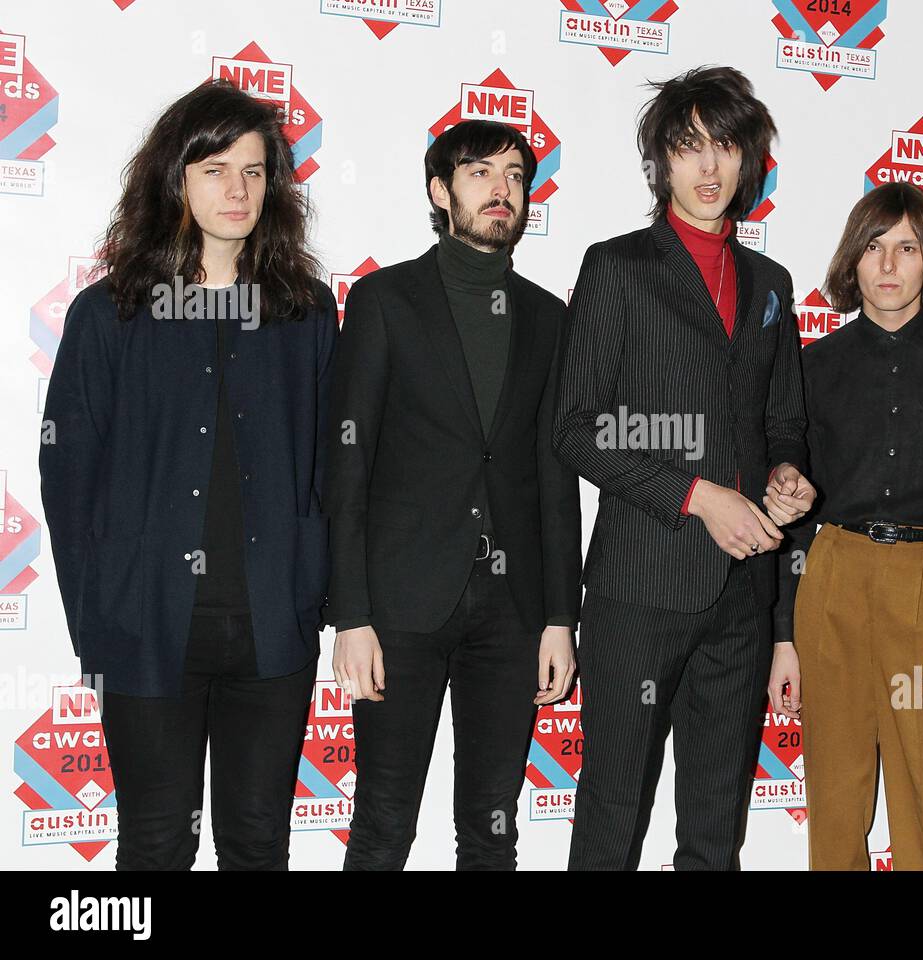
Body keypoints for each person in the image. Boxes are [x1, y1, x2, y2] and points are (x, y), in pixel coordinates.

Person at [39, 79, 336, 870]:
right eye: (214, 169)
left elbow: (334, 463)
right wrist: (96, 619)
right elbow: (69, 479)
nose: (237, 189)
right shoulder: (112, 314)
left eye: (254, 169)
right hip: (144, 630)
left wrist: (317, 590)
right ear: (174, 176)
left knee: (257, 842)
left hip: (273, 629)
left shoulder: (305, 310)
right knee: (156, 843)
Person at [553, 65, 813, 871]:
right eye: (687, 146)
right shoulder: (617, 268)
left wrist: (787, 475)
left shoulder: (770, 284)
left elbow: (782, 421)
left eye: (725, 146)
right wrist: (697, 496)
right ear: (661, 163)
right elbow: (577, 428)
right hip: (641, 588)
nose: (708, 166)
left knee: (714, 821)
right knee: (612, 808)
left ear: (749, 161)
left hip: (742, 593)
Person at [325, 119, 581, 870]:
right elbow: (347, 461)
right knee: (382, 825)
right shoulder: (383, 300)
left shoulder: (547, 317)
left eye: (515, 175)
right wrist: (351, 614)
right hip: (401, 602)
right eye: (479, 173)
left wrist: (561, 617)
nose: (501, 189)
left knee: (493, 829)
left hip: (512, 611)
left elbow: (553, 476)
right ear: (441, 191)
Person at [774, 182, 923, 870]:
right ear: (853, 260)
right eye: (874, 247)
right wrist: (784, 635)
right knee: (837, 796)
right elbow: (792, 517)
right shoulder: (813, 367)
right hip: (835, 580)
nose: (890, 264)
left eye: (907, 247)